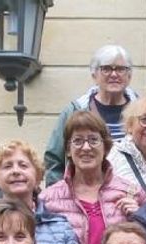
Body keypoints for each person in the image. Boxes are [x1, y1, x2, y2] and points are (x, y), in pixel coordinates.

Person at [41, 112, 146, 244]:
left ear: (105, 147)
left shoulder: (131, 192)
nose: (86, 148)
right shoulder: (48, 200)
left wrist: (141, 217)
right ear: (68, 149)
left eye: (93, 140)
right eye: (77, 141)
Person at [45, 45, 139, 185]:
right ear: (94, 75)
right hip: (83, 197)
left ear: (129, 75)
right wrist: (62, 196)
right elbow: (54, 161)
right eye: (106, 69)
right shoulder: (74, 111)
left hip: (131, 199)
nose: (114, 74)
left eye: (120, 69)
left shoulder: (143, 113)